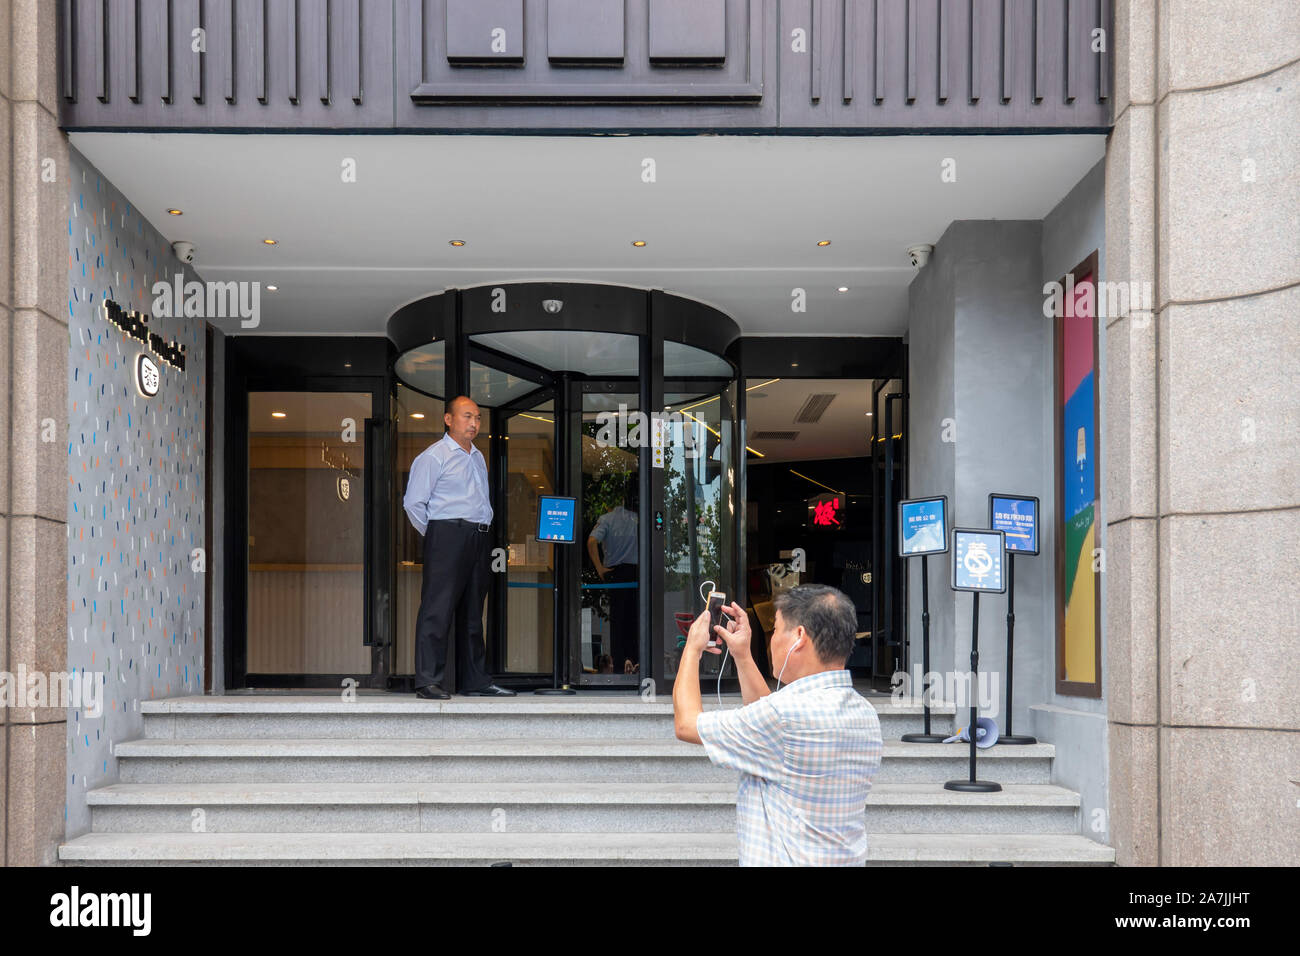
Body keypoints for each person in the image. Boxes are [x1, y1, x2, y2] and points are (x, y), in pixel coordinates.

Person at [672, 584, 883, 865]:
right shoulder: (866, 714)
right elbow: (771, 725)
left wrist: (692, 649)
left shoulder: (784, 717)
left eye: (775, 630)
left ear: (799, 637)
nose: (770, 639)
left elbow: (687, 724)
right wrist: (743, 656)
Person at [402, 395, 515, 699]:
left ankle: (475, 680)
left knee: (472, 612)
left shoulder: (477, 456)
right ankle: (427, 681)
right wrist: (438, 535)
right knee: (437, 609)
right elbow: (413, 503)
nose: (474, 423)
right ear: (448, 420)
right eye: (467, 416)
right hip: (447, 534)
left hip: (478, 536)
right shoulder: (434, 456)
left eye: (477, 417)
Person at [587, 483, 639, 673]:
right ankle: (636, 662)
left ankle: (619, 665)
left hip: (616, 574)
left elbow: (592, 541)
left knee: (618, 621)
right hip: (637, 574)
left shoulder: (607, 519)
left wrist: (599, 567)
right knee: (636, 619)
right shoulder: (638, 519)